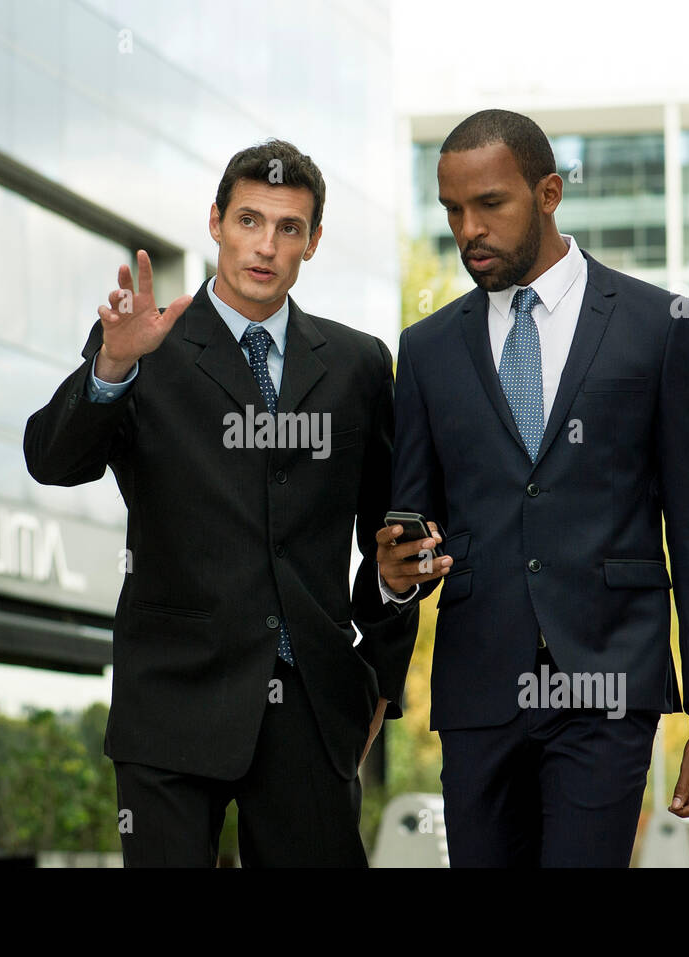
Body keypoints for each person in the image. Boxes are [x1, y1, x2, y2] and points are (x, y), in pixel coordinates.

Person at [23, 139, 419, 867]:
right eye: (248, 220)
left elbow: (392, 543)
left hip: (310, 706)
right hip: (172, 703)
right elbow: (52, 460)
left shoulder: (359, 366)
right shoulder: (146, 343)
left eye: (289, 227)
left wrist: (376, 685)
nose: (265, 245)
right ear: (215, 222)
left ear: (314, 241)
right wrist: (113, 366)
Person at [378, 109, 689, 867]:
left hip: (608, 682)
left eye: (489, 204)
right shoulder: (426, 349)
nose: (468, 228)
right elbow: (412, 521)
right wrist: (394, 576)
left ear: (548, 193)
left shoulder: (657, 324)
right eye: (451, 210)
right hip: (480, 688)